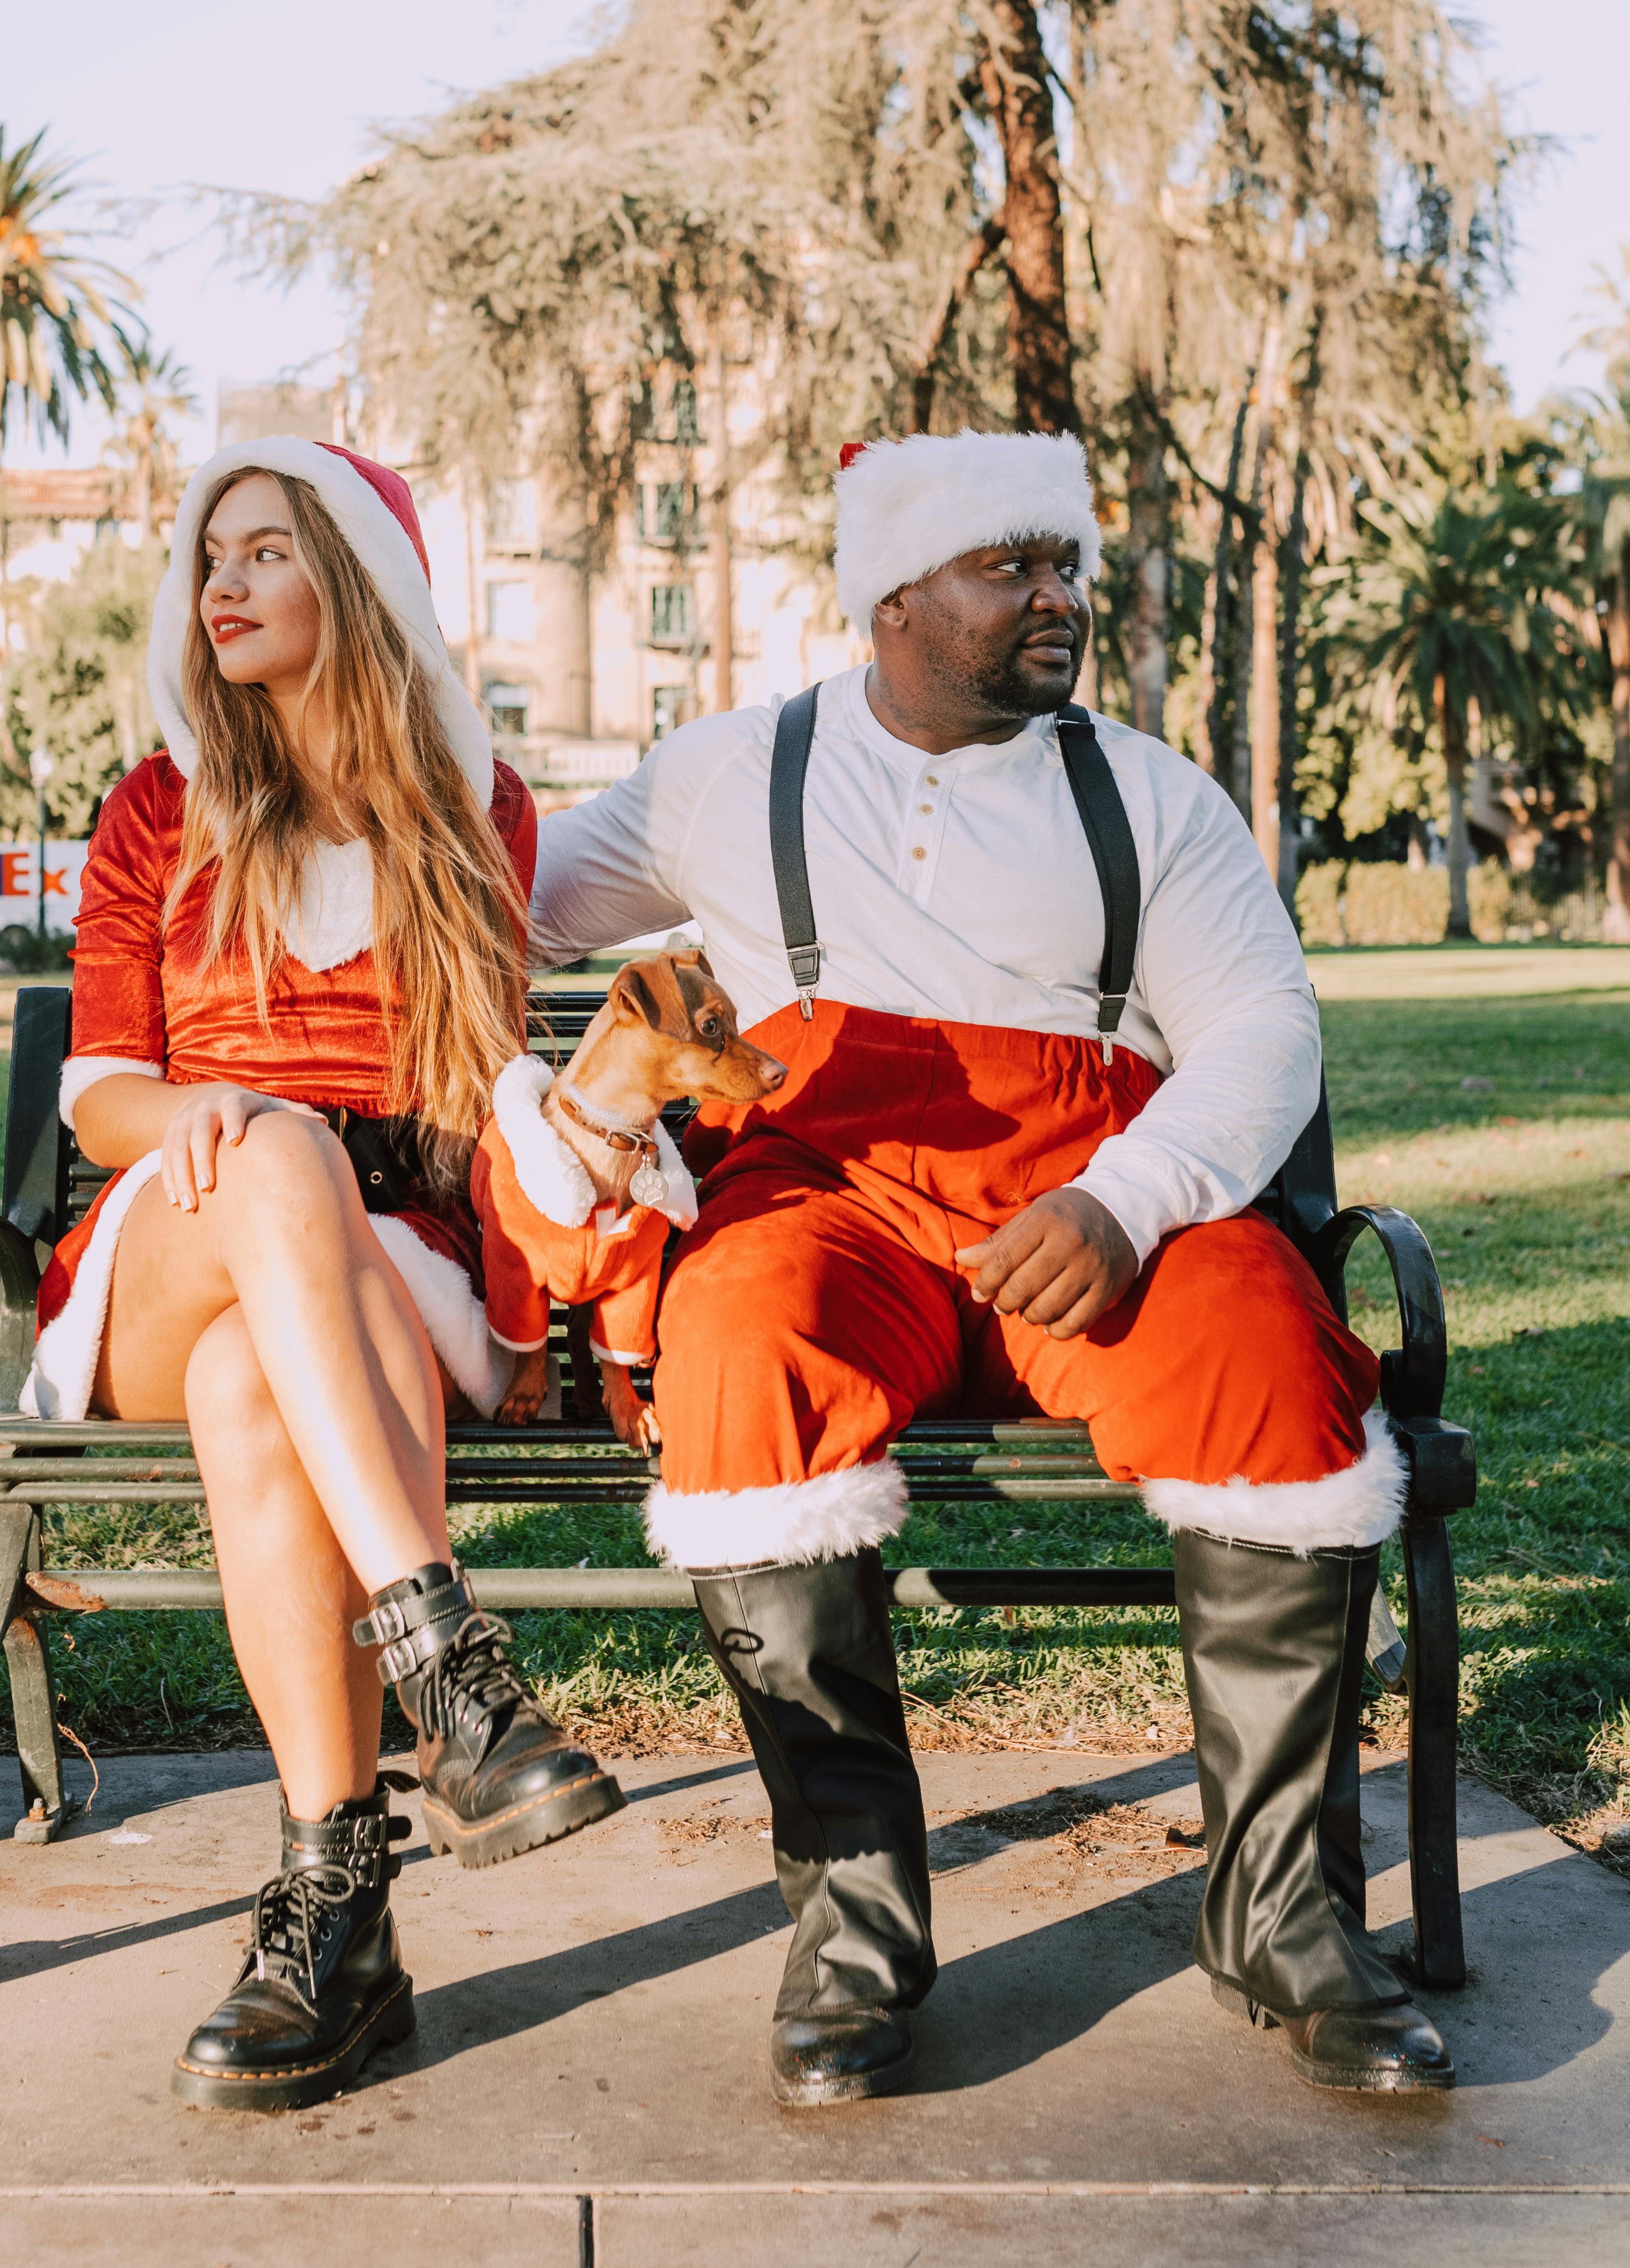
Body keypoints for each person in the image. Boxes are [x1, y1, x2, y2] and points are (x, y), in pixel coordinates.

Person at [530, 426, 1455, 2109]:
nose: (1058, 597)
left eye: (1066, 565)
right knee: (739, 1338)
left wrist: (1128, 1200)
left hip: (1093, 1199)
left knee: (1265, 1346)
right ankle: (853, 1930)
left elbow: (1263, 1027)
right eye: (1010, 565)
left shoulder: (1151, 795)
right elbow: (505, 901)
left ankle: (1283, 1916)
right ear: (895, 598)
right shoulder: (731, 772)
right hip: (830, 1205)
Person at [30, 436, 622, 2114]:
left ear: (356, 583)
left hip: (382, 1264)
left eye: (268, 550)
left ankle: (333, 1908)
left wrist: (526, 1307)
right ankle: (452, 1666)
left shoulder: (470, 808)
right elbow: (100, 1090)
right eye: (211, 553)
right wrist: (214, 1112)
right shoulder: (157, 806)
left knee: (256, 1386)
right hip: (178, 1223)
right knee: (275, 1157)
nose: (219, 582)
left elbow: (492, 1090)